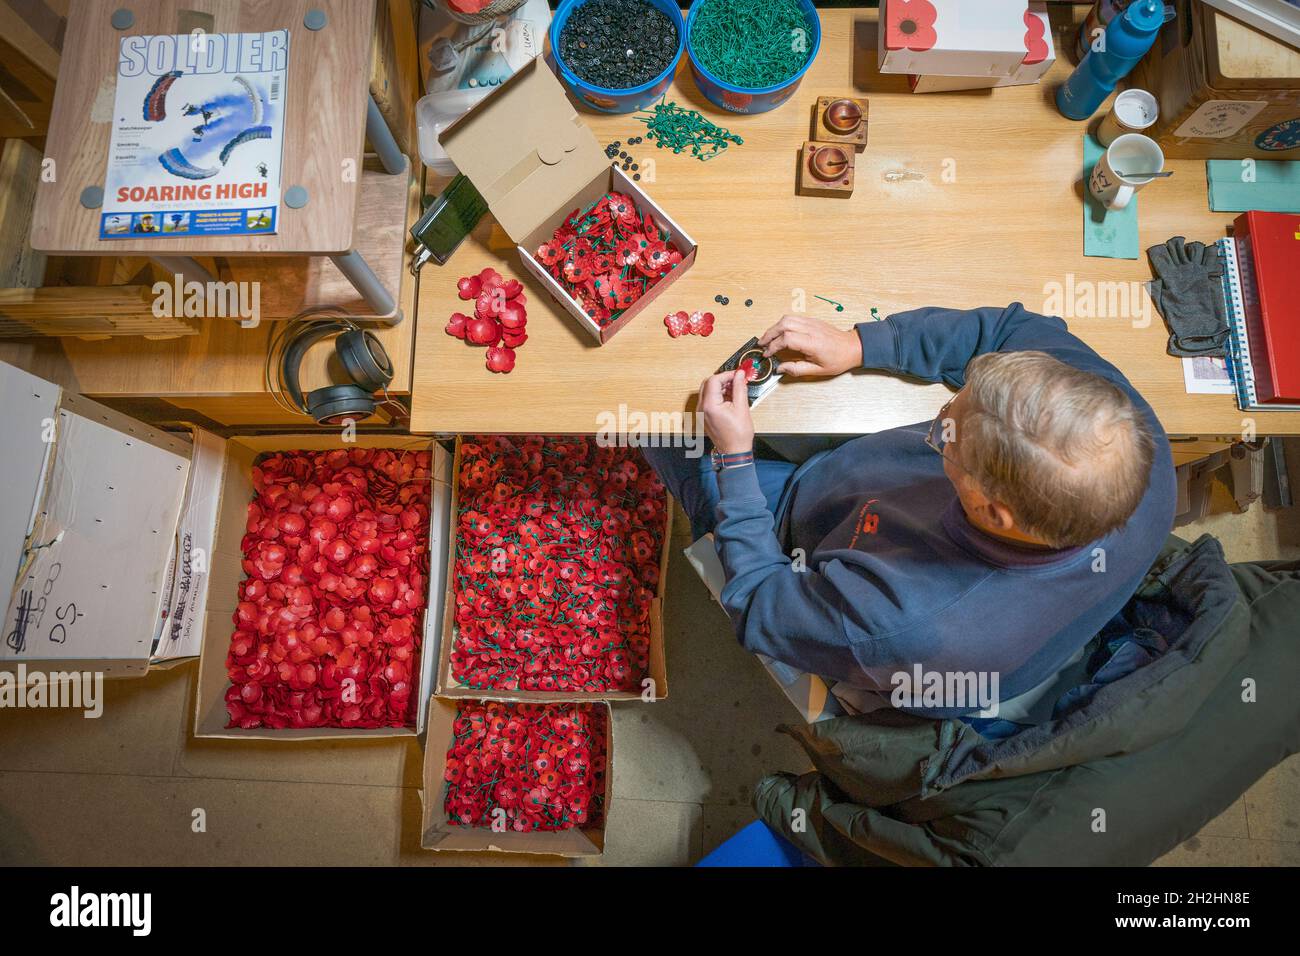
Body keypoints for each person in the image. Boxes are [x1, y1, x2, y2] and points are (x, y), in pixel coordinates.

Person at [640, 304, 1175, 716]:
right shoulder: (1122, 435)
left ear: (993, 511)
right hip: (853, 485)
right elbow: (1007, 331)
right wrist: (862, 344)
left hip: (800, 548)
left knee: (660, 424)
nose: (940, 419)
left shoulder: (908, 623)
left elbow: (759, 602)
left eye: (947, 433)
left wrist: (733, 460)